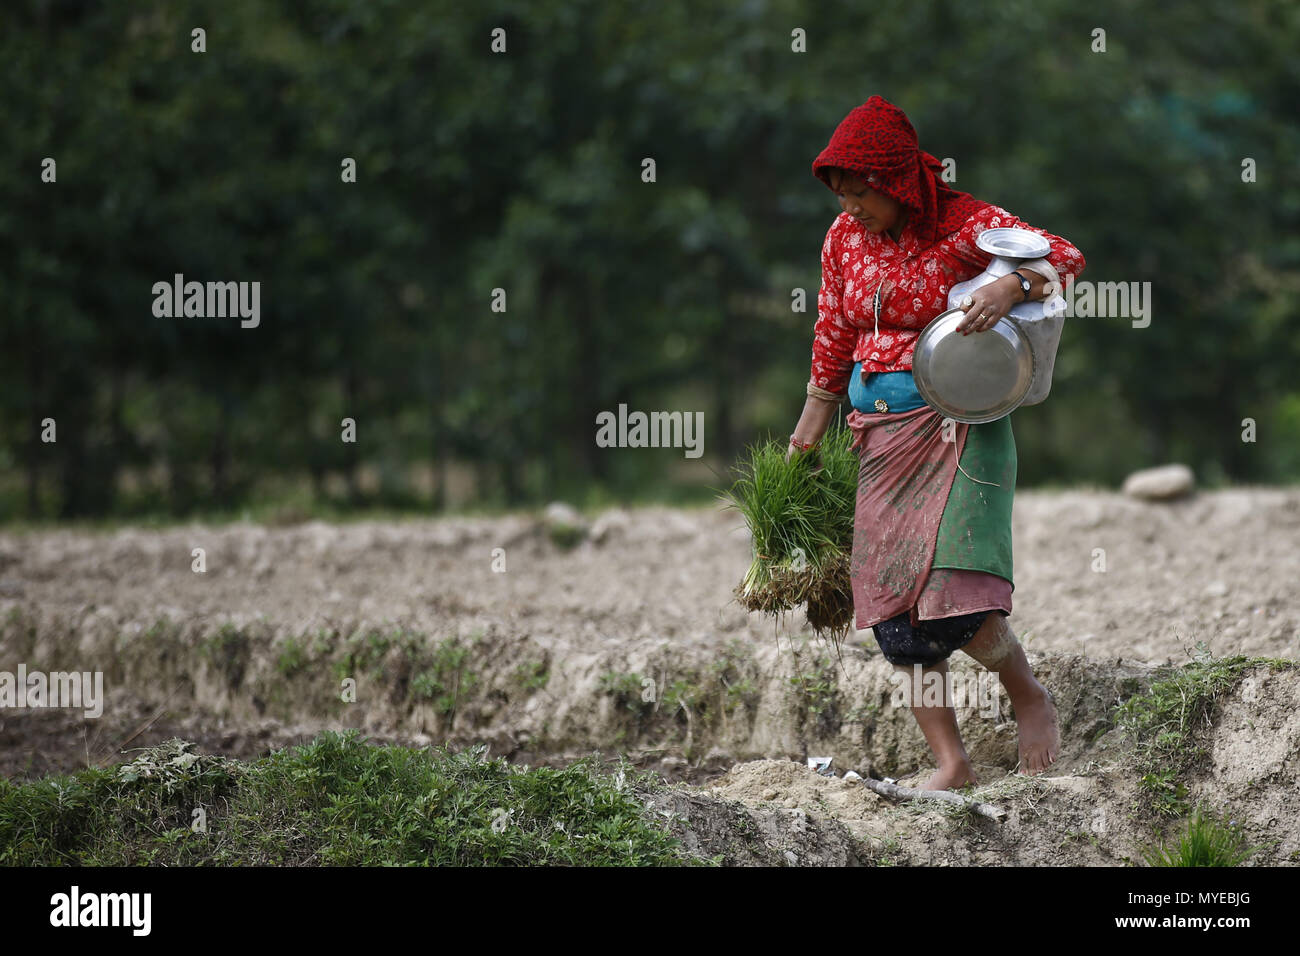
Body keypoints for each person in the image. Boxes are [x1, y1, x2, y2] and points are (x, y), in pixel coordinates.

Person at [787, 95, 1086, 790]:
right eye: (841, 195)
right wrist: (807, 433)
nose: (851, 208)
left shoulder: (963, 225)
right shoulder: (843, 240)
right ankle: (950, 763)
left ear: (896, 183)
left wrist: (1010, 285)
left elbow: (1065, 256)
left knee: (957, 598)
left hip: (959, 433)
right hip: (880, 443)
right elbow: (833, 331)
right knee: (896, 617)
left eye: (861, 194)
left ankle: (1027, 695)